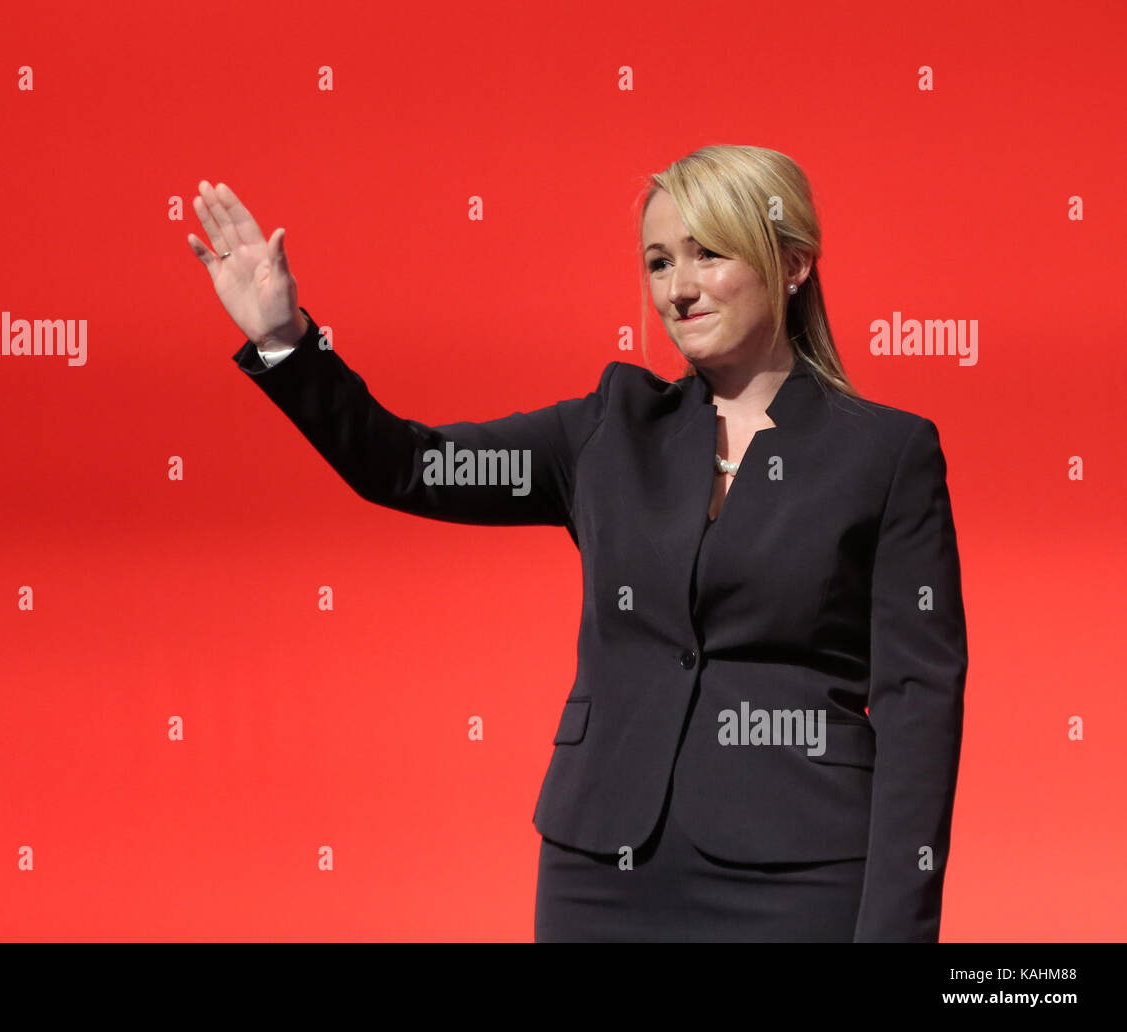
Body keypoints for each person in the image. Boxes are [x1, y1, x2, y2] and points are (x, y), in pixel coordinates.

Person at [187, 144, 968, 942]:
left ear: (793, 263)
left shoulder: (887, 453)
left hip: (803, 871)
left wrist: (897, 929)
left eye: (708, 254)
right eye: (660, 263)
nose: (679, 288)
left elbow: (920, 705)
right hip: (602, 871)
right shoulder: (608, 428)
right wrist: (285, 340)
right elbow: (407, 466)